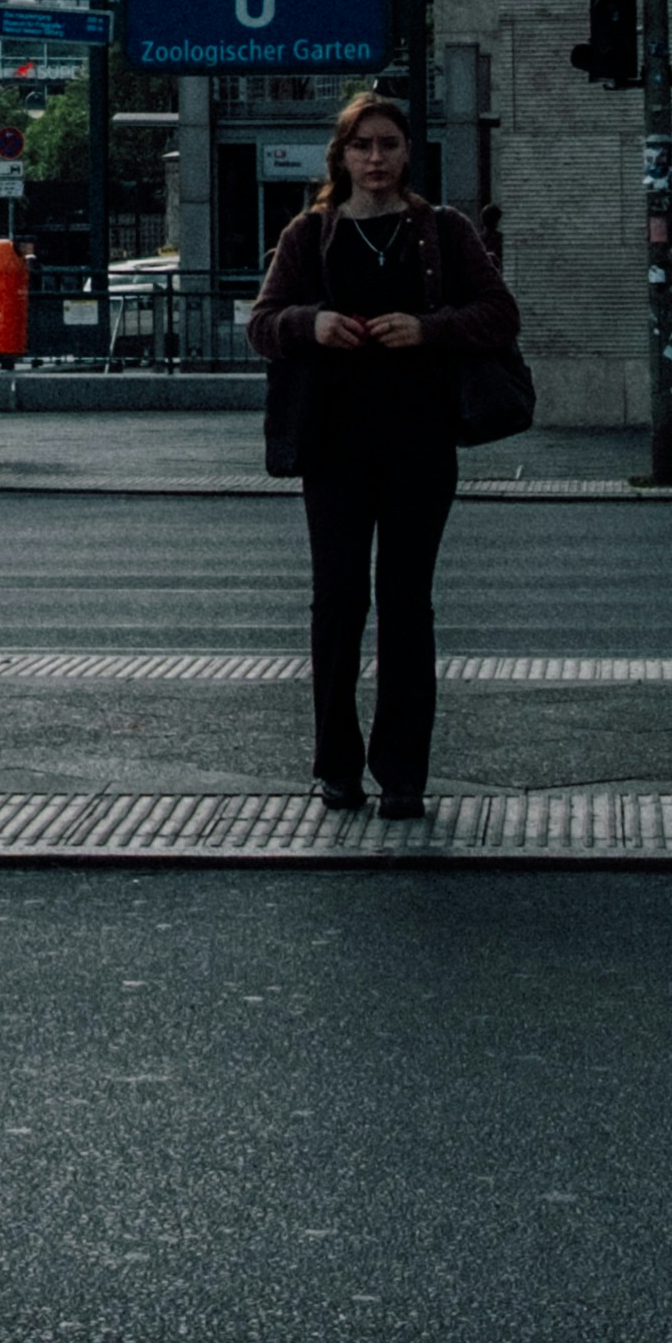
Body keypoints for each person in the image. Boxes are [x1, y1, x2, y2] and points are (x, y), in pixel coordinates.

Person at [242, 89, 519, 823]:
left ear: (407, 153)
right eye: (361, 146)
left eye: (389, 145)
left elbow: (500, 313)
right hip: (333, 447)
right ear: (341, 155)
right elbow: (263, 325)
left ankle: (402, 773)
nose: (375, 159)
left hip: (419, 444)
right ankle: (336, 767)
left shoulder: (443, 231)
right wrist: (314, 321)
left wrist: (429, 329)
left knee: (406, 606)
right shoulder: (311, 233)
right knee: (338, 602)